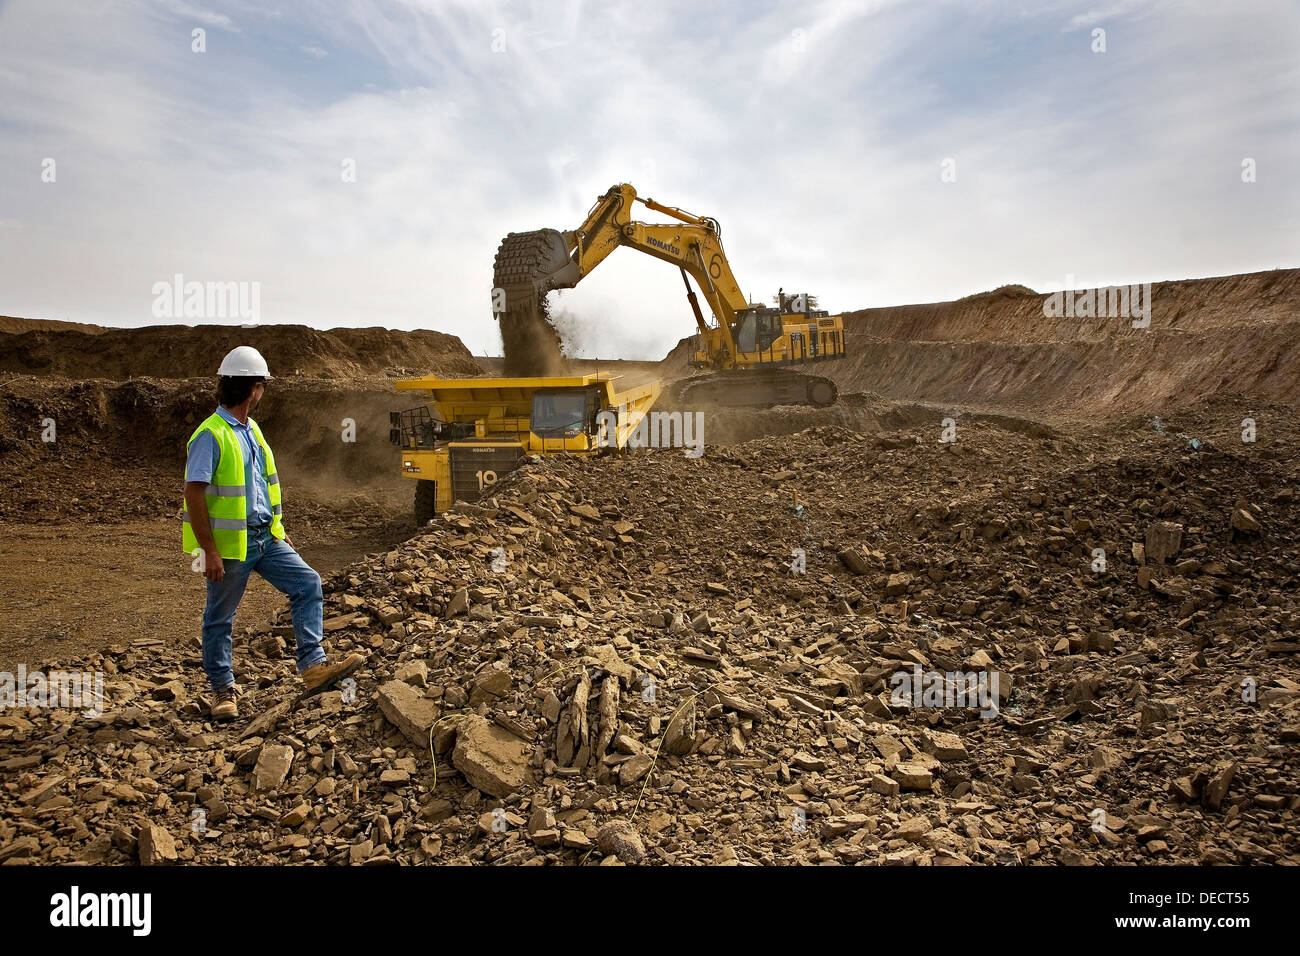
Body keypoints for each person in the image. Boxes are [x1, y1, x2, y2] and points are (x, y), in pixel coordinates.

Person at [182, 346, 362, 720]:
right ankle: (222, 692)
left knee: (307, 583)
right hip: (232, 545)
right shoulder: (210, 435)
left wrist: (279, 530)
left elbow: (263, 486)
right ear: (252, 388)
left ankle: (313, 667)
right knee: (220, 616)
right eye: (262, 385)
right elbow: (193, 494)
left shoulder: (251, 430)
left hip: (266, 537)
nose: (263, 391)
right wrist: (209, 551)